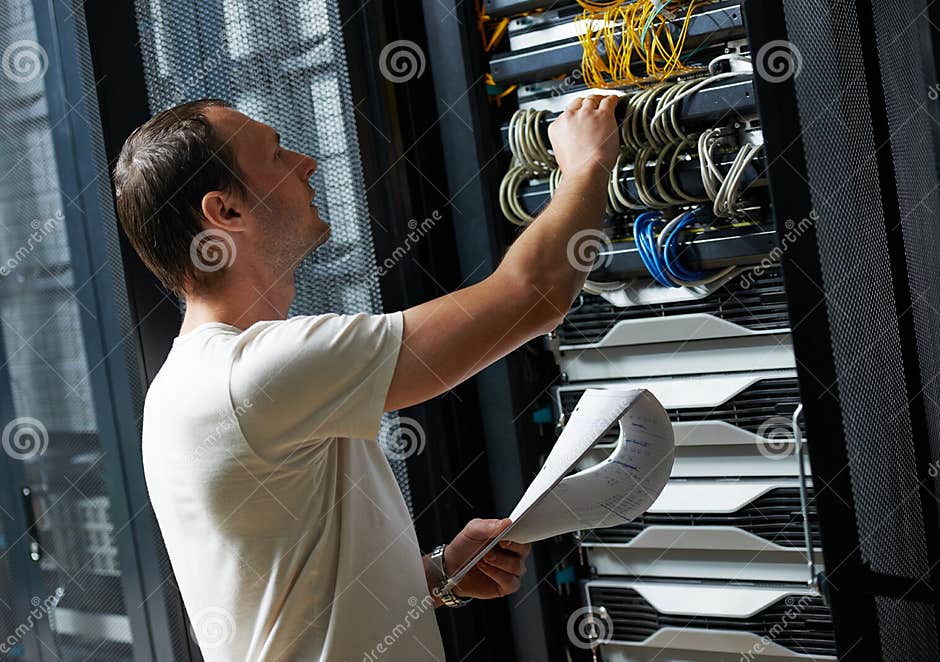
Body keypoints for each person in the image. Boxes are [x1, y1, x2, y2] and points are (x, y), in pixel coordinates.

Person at [112, 92, 620, 661]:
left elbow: (281, 599)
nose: (308, 162)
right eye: (277, 154)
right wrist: (588, 163)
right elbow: (534, 294)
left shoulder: (183, 386)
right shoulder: (253, 372)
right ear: (226, 213)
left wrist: (433, 574)